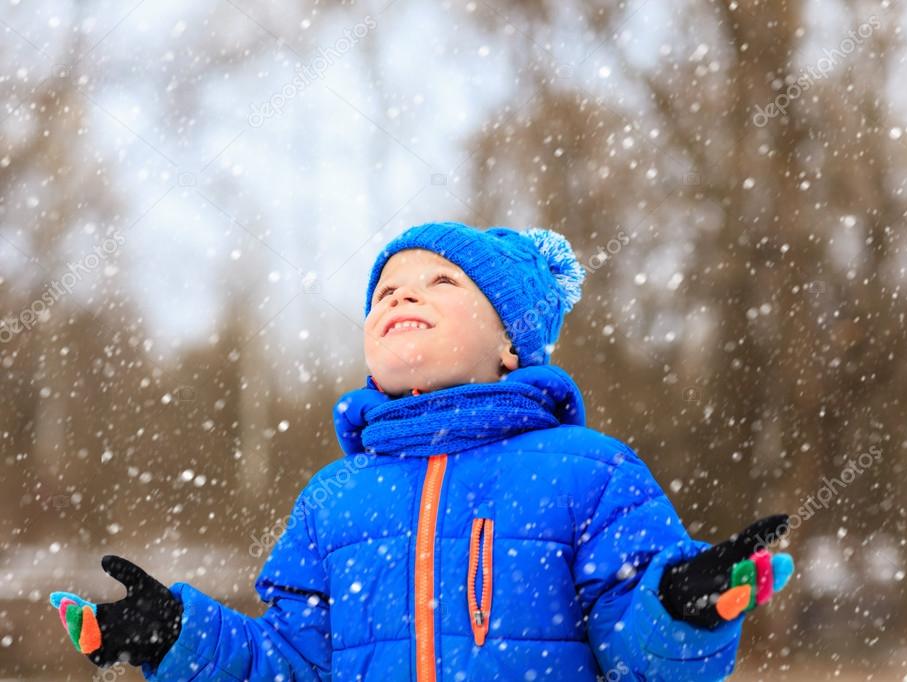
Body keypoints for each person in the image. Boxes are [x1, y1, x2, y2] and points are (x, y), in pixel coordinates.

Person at [50, 221, 795, 681]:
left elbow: (639, 663)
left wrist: (678, 609)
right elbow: (293, 667)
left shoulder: (588, 471)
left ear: (510, 343)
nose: (403, 297)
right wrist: (179, 637)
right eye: (385, 292)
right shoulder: (334, 497)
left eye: (440, 281)